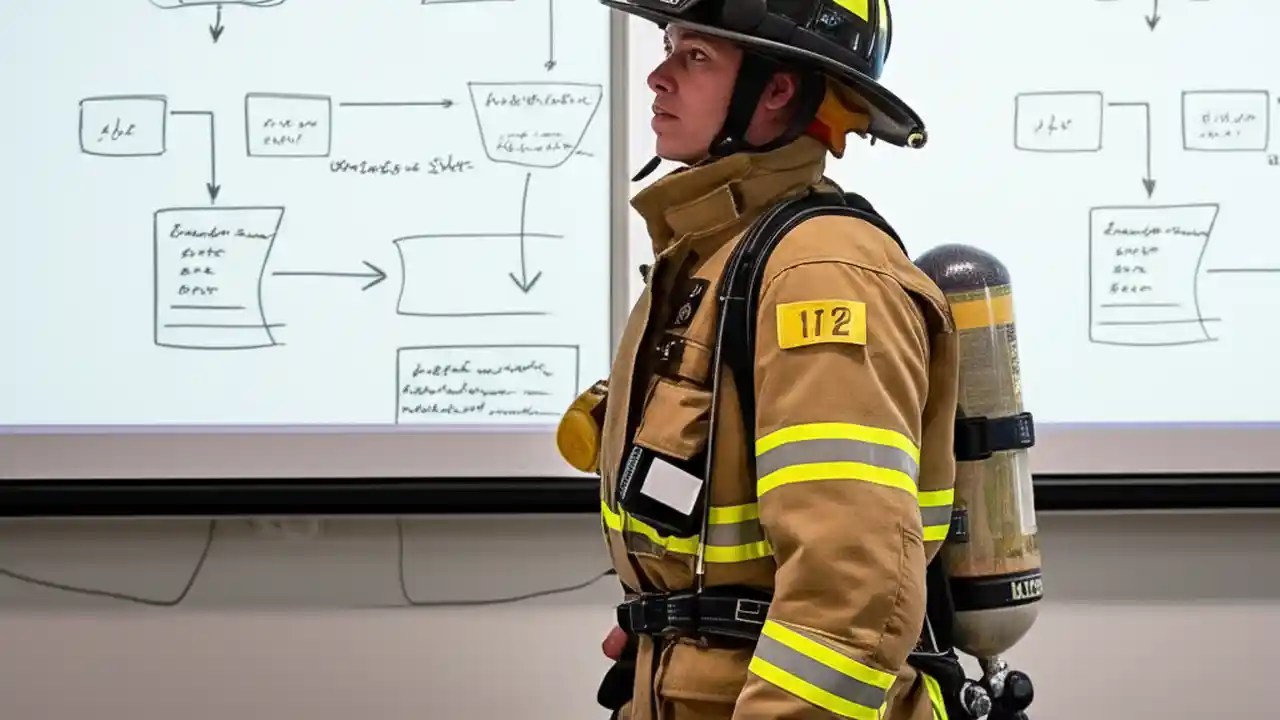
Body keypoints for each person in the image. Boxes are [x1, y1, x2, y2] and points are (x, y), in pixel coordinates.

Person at [585, 1, 962, 718]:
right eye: (668, 49)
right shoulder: (713, 254)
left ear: (778, 88)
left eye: (695, 57)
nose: (658, 78)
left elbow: (852, 600)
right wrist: (671, 627)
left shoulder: (819, 273)